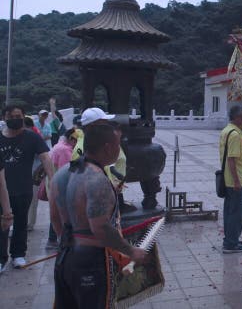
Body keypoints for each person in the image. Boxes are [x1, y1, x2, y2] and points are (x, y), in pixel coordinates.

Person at [49, 122, 148, 308]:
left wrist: (68, 244)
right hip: (90, 262)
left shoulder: (62, 174)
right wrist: (131, 250)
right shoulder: (97, 179)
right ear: (108, 147)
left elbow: (54, 217)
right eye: (118, 144)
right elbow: (100, 227)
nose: (120, 149)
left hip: (65, 257)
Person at [0, 106, 55, 270]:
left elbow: (45, 158)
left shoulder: (31, 137)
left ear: (24, 117)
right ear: (4, 117)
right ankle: (1, 259)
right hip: (1, 188)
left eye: (18, 115)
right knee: (2, 224)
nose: (14, 118)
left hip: (23, 188)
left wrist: (53, 180)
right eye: (10, 116)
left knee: (21, 223)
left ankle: (18, 254)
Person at [220, 105, 242, 254]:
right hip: (234, 181)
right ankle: (231, 243)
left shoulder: (227, 131)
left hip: (228, 179)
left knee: (229, 211)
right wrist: (237, 181)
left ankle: (230, 239)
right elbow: (231, 159)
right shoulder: (234, 135)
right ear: (237, 118)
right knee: (236, 213)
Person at [44, 128, 80, 249]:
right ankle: (55, 240)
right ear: (71, 139)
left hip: (53, 183)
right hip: (60, 186)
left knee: (56, 211)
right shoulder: (65, 150)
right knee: (60, 213)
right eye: (77, 141)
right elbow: (67, 171)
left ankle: (53, 239)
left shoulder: (59, 146)